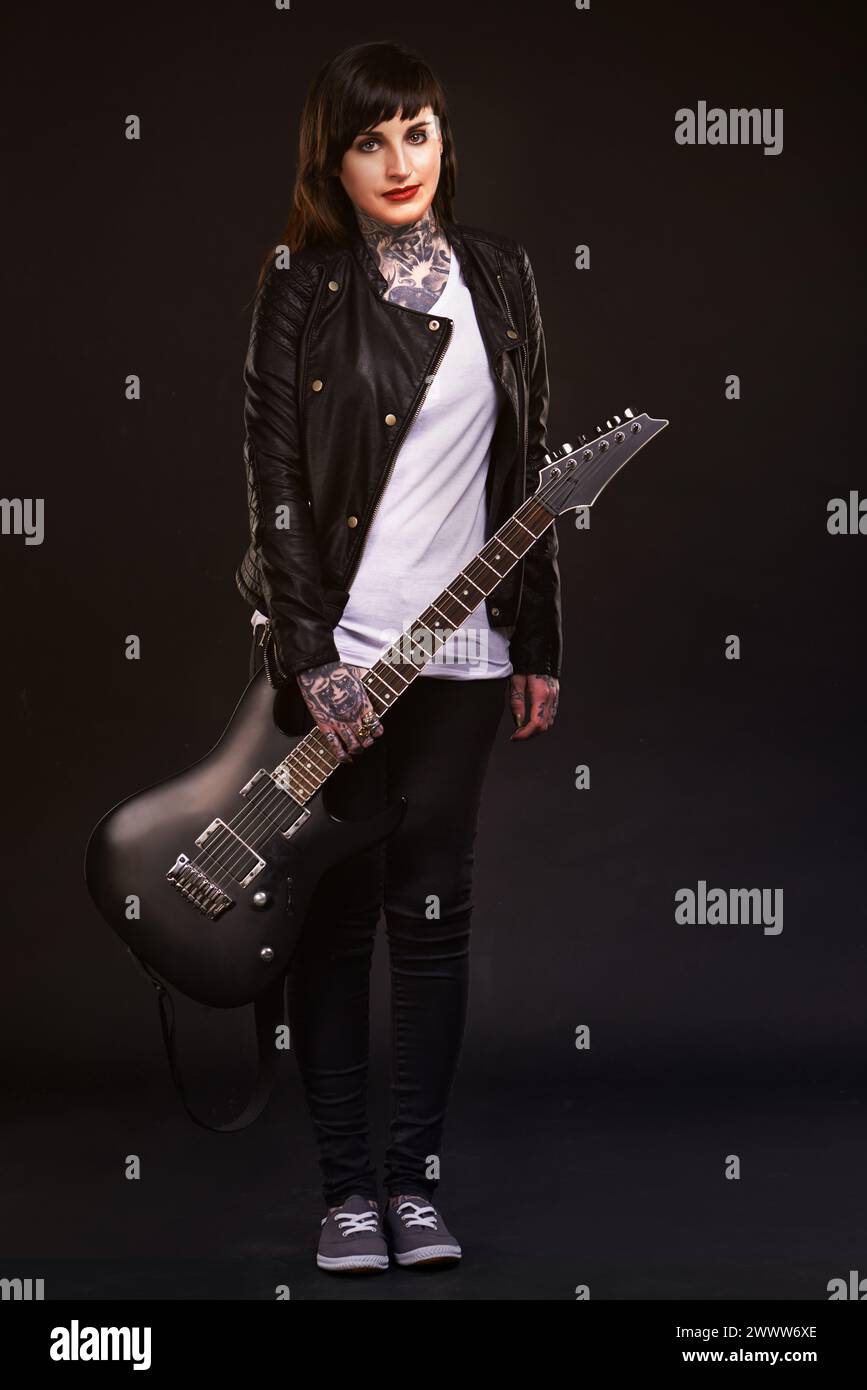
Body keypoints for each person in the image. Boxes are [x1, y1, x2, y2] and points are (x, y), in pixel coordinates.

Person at [236, 39, 562, 1273]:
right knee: (333, 918)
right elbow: (271, 480)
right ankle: (342, 1194)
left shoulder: (503, 273)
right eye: (370, 140)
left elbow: (527, 478)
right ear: (334, 157)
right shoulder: (301, 285)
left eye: (416, 131)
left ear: (443, 136)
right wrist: (312, 653)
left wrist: (536, 634)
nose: (399, 161)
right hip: (347, 658)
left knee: (433, 912)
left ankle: (415, 1187)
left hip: (467, 648)